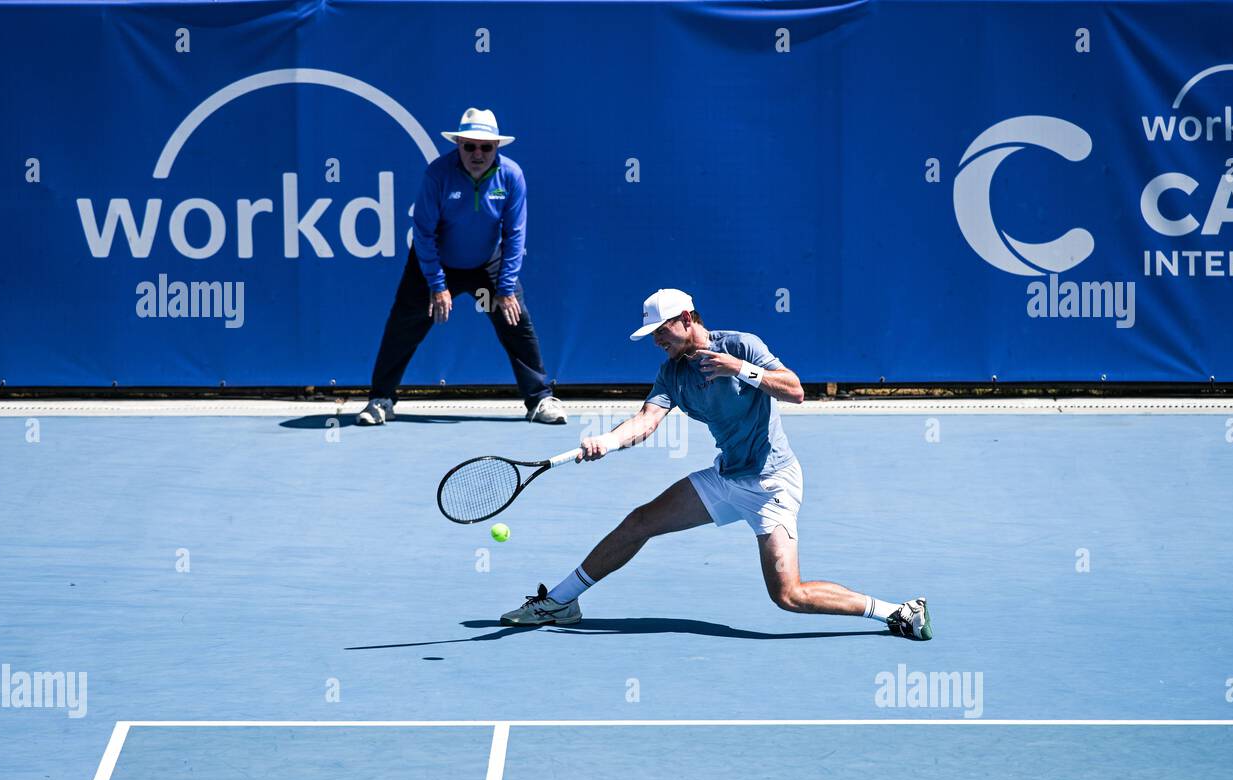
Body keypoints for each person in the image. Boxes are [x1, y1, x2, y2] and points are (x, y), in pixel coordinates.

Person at [499, 288, 933, 639]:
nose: (657, 340)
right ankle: (561, 601)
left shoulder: (741, 345)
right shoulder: (672, 372)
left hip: (771, 483)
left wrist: (739, 369)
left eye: (662, 330)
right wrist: (607, 441)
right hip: (726, 478)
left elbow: (796, 390)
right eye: (653, 334)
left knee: (788, 595)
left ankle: (896, 611)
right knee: (639, 522)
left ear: (688, 319)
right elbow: (646, 421)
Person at [358, 108, 566, 425]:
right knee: (403, 326)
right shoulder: (437, 174)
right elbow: (424, 232)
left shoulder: (511, 176)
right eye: (469, 146)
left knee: (515, 321)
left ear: (497, 147)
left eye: (485, 147)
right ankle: (381, 399)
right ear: (458, 145)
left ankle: (539, 399)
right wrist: (438, 285)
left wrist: (506, 288)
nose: (477, 153)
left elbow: (514, 234)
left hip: (487, 263)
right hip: (436, 262)